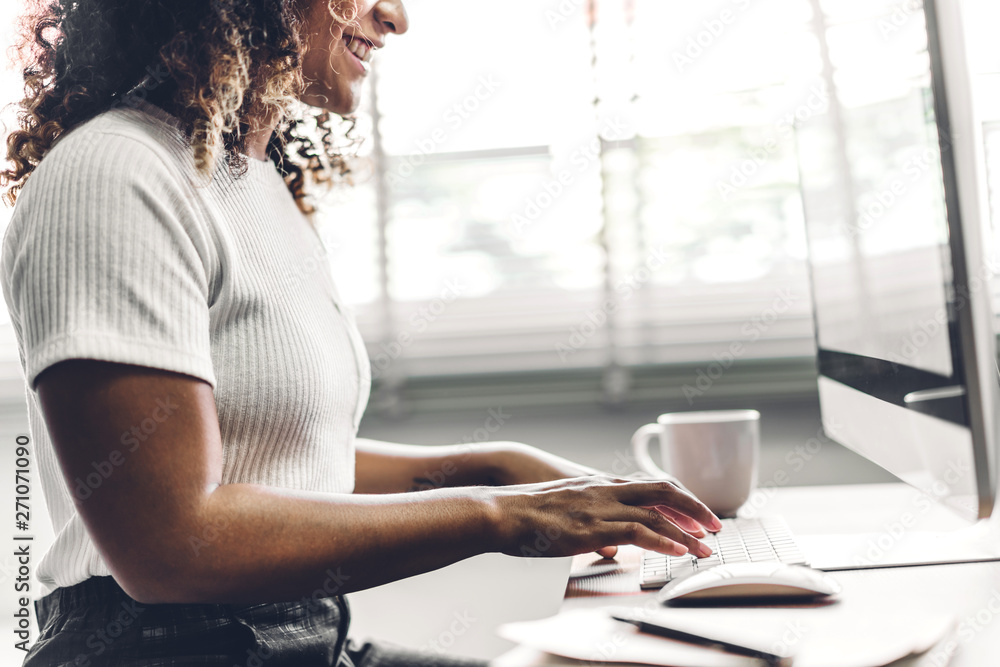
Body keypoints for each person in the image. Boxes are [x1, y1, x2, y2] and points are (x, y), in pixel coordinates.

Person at [0, 0, 722, 664]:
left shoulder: (249, 178)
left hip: (306, 637)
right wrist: (500, 515)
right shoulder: (114, 175)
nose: (396, 16)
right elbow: (172, 547)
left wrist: (498, 465)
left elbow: (271, 455)